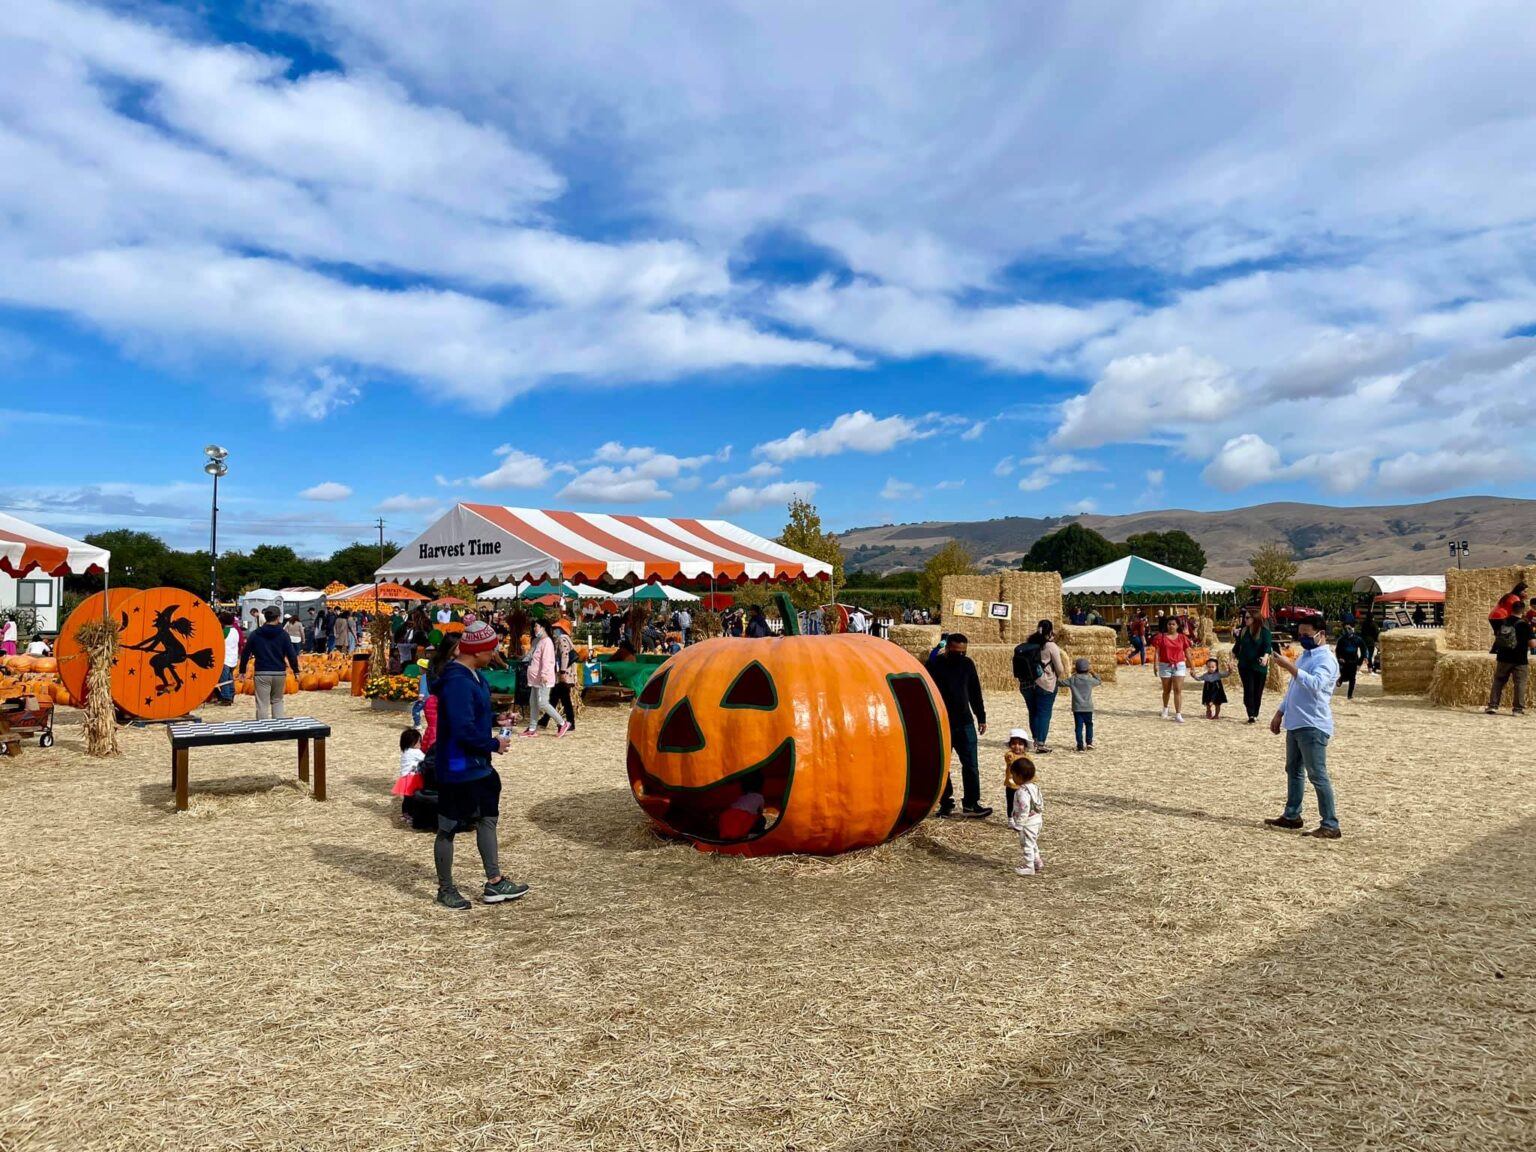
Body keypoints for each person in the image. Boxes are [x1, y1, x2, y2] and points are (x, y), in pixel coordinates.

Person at [430, 619, 527, 910]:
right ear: (477, 652)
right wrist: (492, 744)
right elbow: (462, 727)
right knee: (448, 826)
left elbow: (474, 716)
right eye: (491, 650)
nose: (494, 654)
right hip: (457, 765)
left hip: (478, 765)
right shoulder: (457, 682)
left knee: (487, 816)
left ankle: (495, 882)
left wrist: (498, 720)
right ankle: (446, 888)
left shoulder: (475, 675)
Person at [1264, 618, 1342, 839]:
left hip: (1313, 724)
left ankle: (1330, 824)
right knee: (1294, 770)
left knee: (1317, 774)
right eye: (1301, 634)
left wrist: (1288, 666)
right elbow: (1293, 688)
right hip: (1296, 722)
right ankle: (1292, 815)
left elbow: (1316, 684)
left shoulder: (1326, 660)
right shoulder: (1305, 656)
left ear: (1321, 634)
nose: (1304, 638)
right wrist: (1280, 712)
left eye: (1308, 634)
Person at [926, 633, 991, 818]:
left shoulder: (967, 664)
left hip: (965, 722)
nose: (960, 656)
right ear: (948, 648)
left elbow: (974, 691)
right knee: (942, 766)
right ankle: (946, 803)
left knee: (971, 765)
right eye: (956, 652)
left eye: (963, 652)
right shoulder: (934, 665)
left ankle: (971, 803)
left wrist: (981, 717)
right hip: (942, 723)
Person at [240, 606, 301, 720]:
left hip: (262, 672)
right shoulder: (283, 635)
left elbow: (245, 653)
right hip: (279, 672)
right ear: (278, 618)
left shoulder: (255, 634)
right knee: (277, 701)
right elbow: (291, 654)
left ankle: (263, 730)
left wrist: (242, 670)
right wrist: (296, 670)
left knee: (262, 703)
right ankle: (278, 728)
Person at [1014, 619, 1066, 753]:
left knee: (1033, 712)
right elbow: (1059, 668)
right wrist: (1057, 676)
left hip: (1026, 684)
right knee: (1044, 713)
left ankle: (1036, 738)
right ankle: (1041, 743)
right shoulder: (1050, 646)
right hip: (1045, 683)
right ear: (1050, 632)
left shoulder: (1029, 643)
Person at [1485, 598, 1535, 715]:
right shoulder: (1525, 625)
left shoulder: (1502, 622)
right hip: (1520, 659)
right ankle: (1517, 709)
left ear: (1511, 609)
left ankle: (1493, 706)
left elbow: (1498, 637)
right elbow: (1533, 644)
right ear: (1522, 611)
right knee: (1519, 684)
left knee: (1498, 682)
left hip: (1503, 657)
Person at [521, 620, 568, 737]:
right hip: (535, 679)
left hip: (543, 678)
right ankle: (532, 729)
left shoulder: (547, 642)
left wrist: (544, 675)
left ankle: (562, 723)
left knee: (542, 703)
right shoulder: (538, 641)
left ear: (543, 627)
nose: (534, 629)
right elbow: (532, 657)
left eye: (536, 626)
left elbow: (547, 661)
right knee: (534, 703)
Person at [1006, 757, 1044, 876]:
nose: (1012, 778)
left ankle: (1029, 866)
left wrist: (1019, 824)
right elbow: (1040, 802)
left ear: (1020, 776)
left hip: (1028, 823)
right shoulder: (1034, 787)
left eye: (1014, 775)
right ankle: (1037, 860)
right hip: (1037, 820)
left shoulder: (1022, 791)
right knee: (1032, 842)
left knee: (1026, 844)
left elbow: (1024, 808)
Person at [1151, 616, 1193, 722]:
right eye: (1169, 624)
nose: (1171, 626)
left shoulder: (1182, 638)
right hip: (1165, 665)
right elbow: (1157, 652)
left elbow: (1187, 653)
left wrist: (1192, 666)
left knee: (1178, 690)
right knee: (1166, 690)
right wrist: (1155, 665)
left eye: (1173, 624)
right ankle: (1165, 708)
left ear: (1177, 626)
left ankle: (1178, 714)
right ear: (1166, 625)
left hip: (1179, 665)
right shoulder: (1160, 637)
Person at [1234, 610, 1273, 723]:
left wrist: (1265, 657)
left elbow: (1267, 646)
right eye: (1244, 617)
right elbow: (1238, 646)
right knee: (1248, 689)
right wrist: (1231, 659)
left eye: (1247, 618)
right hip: (1245, 665)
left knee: (1257, 691)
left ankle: (1255, 712)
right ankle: (1251, 714)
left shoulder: (1265, 632)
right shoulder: (1243, 631)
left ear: (1255, 618)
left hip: (1259, 666)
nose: (1245, 620)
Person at [544, 622, 578, 733]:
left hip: (565, 673)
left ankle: (570, 722)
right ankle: (545, 719)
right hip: (564, 673)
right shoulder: (565, 638)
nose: (554, 631)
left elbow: (564, 655)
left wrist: (562, 672)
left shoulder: (562, 639)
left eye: (556, 628)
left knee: (564, 698)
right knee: (555, 696)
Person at [1065, 656, 1100, 751]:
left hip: (1077, 708)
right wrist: (1093, 672)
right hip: (1088, 707)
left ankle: (1080, 745)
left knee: (1078, 727)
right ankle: (1089, 743)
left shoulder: (1072, 680)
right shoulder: (1090, 680)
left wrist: (1070, 673)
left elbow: (1060, 683)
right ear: (1087, 669)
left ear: (1076, 668)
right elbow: (1099, 681)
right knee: (1089, 725)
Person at [1002, 728, 1032, 819]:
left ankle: (1021, 818)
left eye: (1020, 744)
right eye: (1014, 744)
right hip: (1011, 785)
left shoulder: (1027, 757)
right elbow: (1008, 758)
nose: (1017, 746)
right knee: (1011, 803)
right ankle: (1010, 818)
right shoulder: (1010, 755)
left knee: (1022, 803)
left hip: (1023, 786)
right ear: (1010, 745)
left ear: (1025, 746)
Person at [393, 728, 427, 805]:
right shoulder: (415, 752)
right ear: (411, 743)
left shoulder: (406, 751)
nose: (420, 744)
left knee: (407, 797)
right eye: (418, 742)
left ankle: (405, 813)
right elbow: (425, 758)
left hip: (405, 777)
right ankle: (411, 812)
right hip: (413, 778)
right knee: (414, 796)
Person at [1335, 624, 1366, 700]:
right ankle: (1341, 679)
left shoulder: (1358, 639)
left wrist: (1360, 662)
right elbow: (1337, 650)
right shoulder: (1341, 640)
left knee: (1352, 678)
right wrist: (1339, 658)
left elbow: (1363, 650)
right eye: (1346, 629)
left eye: (1349, 629)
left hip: (1353, 661)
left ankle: (1350, 695)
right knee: (1345, 676)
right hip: (1344, 661)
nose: (1347, 631)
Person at [217, 611, 239, 706]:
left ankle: (226, 697)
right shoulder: (235, 630)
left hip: (225, 659)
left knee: (224, 680)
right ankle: (231, 693)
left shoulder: (224, 632)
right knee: (229, 678)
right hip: (233, 658)